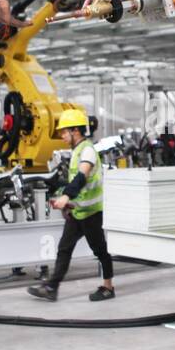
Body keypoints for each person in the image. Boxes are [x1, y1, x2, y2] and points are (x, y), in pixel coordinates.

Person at [27, 109, 115, 302]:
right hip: (77, 211)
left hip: (91, 212)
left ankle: (108, 287)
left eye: (64, 131)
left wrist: (66, 197)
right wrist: (64, 199)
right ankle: (52, 288)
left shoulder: (88, 150)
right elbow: (74, 181)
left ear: (75, 131)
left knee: (99, 250)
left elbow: (82, 177)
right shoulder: (76, 151)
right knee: (64, 249)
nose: (62, 135)